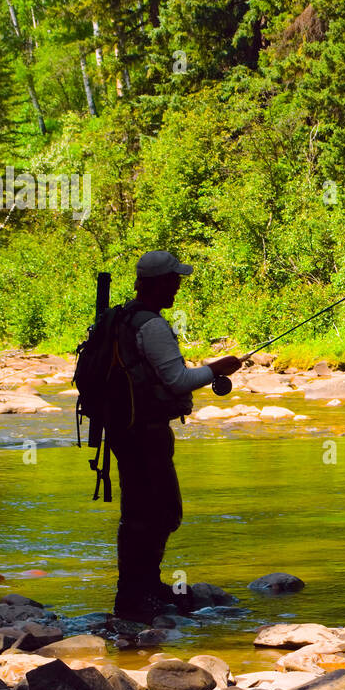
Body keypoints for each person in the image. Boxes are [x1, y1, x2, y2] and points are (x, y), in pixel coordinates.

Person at [109, 250, 241, 621]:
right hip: (145, 432)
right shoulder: (150, 326)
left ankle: (140, 588)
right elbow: (177, 379)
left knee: (140, 511)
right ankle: (138, 594)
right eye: (175, 280)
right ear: (161, 283)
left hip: (127, 429)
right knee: (161, 512)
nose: (178, 287)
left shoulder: (123, 317)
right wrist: (217, 368)